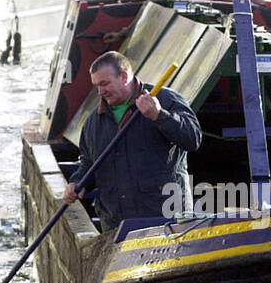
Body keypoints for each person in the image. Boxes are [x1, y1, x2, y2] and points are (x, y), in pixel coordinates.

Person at [62, 51, 201, 231]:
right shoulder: (93, 122)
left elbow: (193, 139)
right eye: (97, 86)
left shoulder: (165, 100)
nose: (100, 91)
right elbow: (89, 162)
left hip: (167, 223)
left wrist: (159, 116)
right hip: (117, 228)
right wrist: (78, 183)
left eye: (105, 84)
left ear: (124, 76)